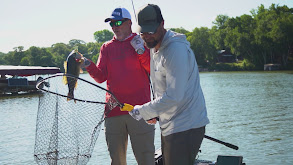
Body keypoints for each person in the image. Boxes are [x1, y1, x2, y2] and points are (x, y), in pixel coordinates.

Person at [124, 4, 210, 165]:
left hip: (186, 125)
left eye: (151, 31)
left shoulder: (175, 50)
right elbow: (162, 88)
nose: (147, 36)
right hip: (171, 124)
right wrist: (155, 113)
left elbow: (174, 96)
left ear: (162, 24)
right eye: (143, 32)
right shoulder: (153, 47)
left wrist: (143, 111)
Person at [80, 7, 155, 165]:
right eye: (112, 23)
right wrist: (87, 64)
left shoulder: (141, 41)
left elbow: (152, 70)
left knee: (146, 159)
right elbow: (100, 77)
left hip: (140, 110)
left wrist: (140, 50)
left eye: (119, 22)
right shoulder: (106, 48)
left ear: (129, 23)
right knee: (117, 161)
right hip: (113, 111)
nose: (115, 26)